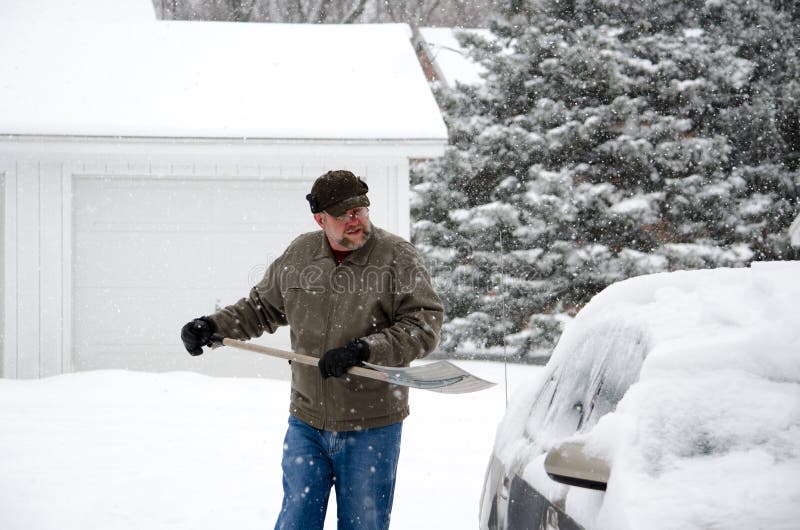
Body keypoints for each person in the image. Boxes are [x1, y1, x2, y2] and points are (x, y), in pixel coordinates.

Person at [180, 170, 443, 530]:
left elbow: (423, 325)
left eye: (361, 210)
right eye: (343, 214)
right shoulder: (301, 254)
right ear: (320, 219)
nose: (355, 220)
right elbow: (261, 308)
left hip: (370, 425)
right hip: (307, 421)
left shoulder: (396, 257)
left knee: (364, 524)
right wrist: (211, 326)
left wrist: (365, 349)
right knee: (296, 521)